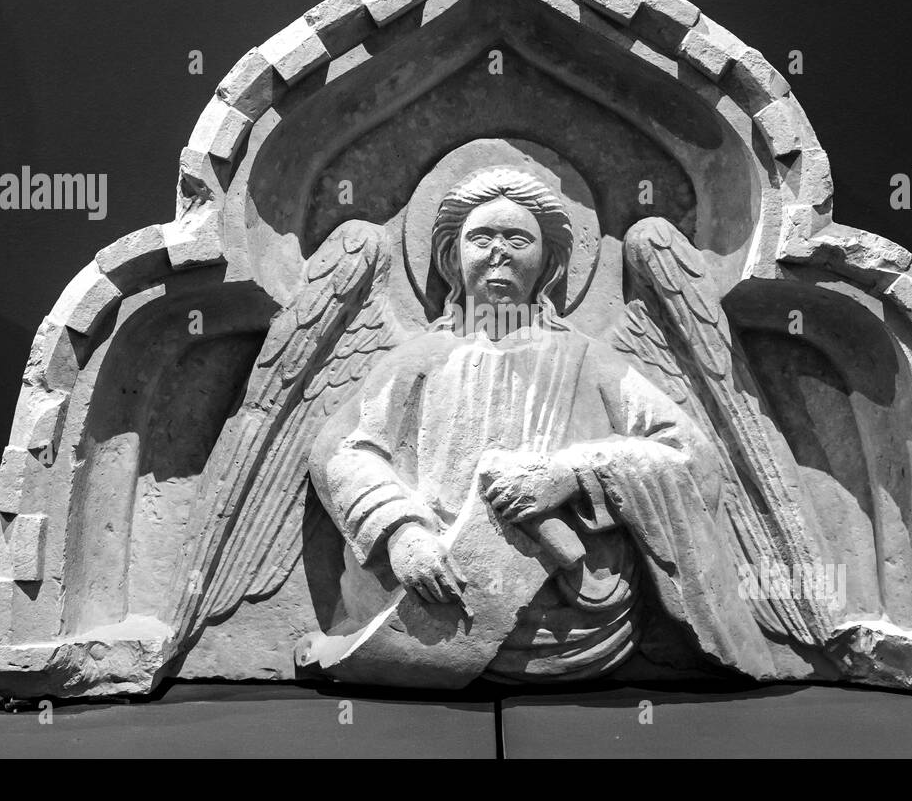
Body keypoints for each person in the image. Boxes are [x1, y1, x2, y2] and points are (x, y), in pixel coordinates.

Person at [308, 168, 780, 680]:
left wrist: (576, 474)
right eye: (480, 237)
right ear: (452, 255)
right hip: (438, 606)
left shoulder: (589, 363)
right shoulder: (420, 360)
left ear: (549, 260)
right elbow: (343, 452)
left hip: (583, 619)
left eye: (517, 238)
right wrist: (401, 533)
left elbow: (693, 461)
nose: (498, 252)